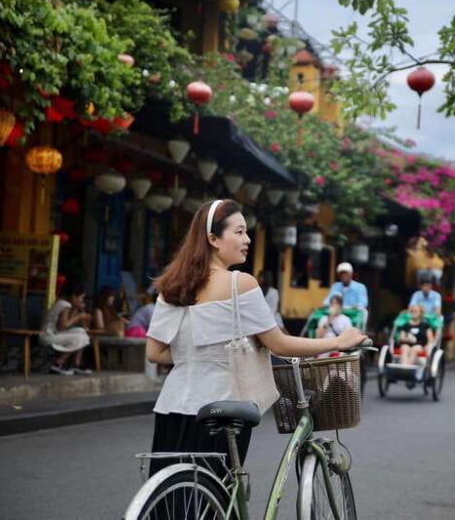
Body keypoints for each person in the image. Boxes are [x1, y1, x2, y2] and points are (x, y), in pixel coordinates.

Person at [145, 199, 365, 477]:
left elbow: (154, 352)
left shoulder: (172, 285)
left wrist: (198, 354)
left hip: (172, 406)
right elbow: (279, 344)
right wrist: (337, 342)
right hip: (223, 405)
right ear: (213, 238)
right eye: (238, 232)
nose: (247, 239)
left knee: (174, 498)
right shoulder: (241, 283)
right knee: (217, 498)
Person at [40, 283, 92, 375]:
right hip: (48, 336)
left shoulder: (64, 303)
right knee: (79, 338)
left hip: (54, 333)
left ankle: (76, 363)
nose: (81, 300)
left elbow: (64, 325)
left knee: (81, 331)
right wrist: (79, 317)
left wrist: (76, 309)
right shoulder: (64, 304)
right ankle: (58, 363)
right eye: (80, 297)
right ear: (73, 296)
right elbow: (63, 326)